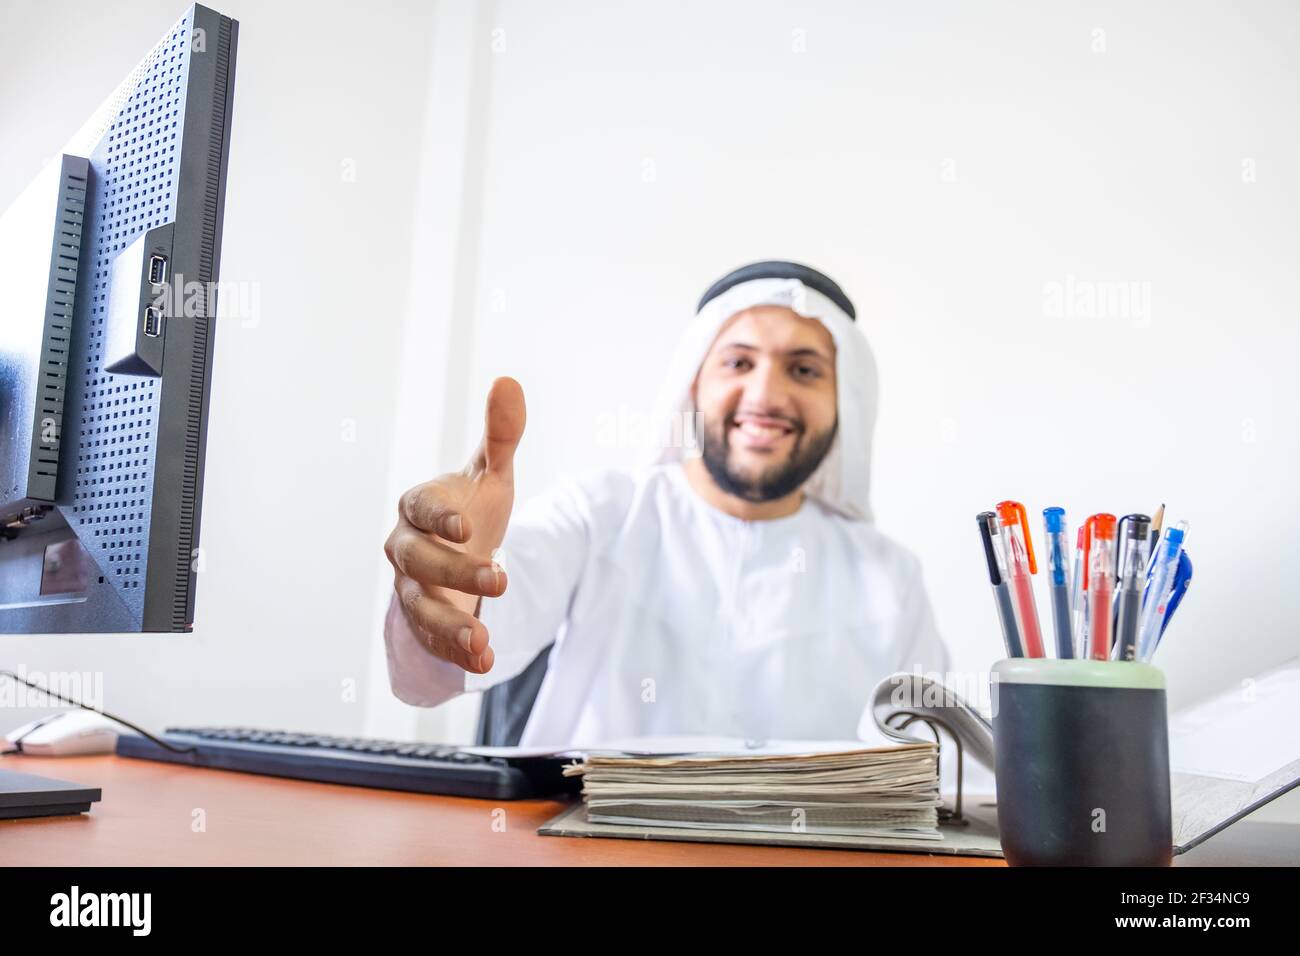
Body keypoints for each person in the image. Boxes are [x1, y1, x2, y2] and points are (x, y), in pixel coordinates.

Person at [382, 260, 950, 747]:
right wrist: (448, 581)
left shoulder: (891, 579)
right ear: (693, 383)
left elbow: (941, 778)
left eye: (804, 370)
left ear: (841, 401)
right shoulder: (598, 514)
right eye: (738, 362)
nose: (766, 396)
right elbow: (445, 665)